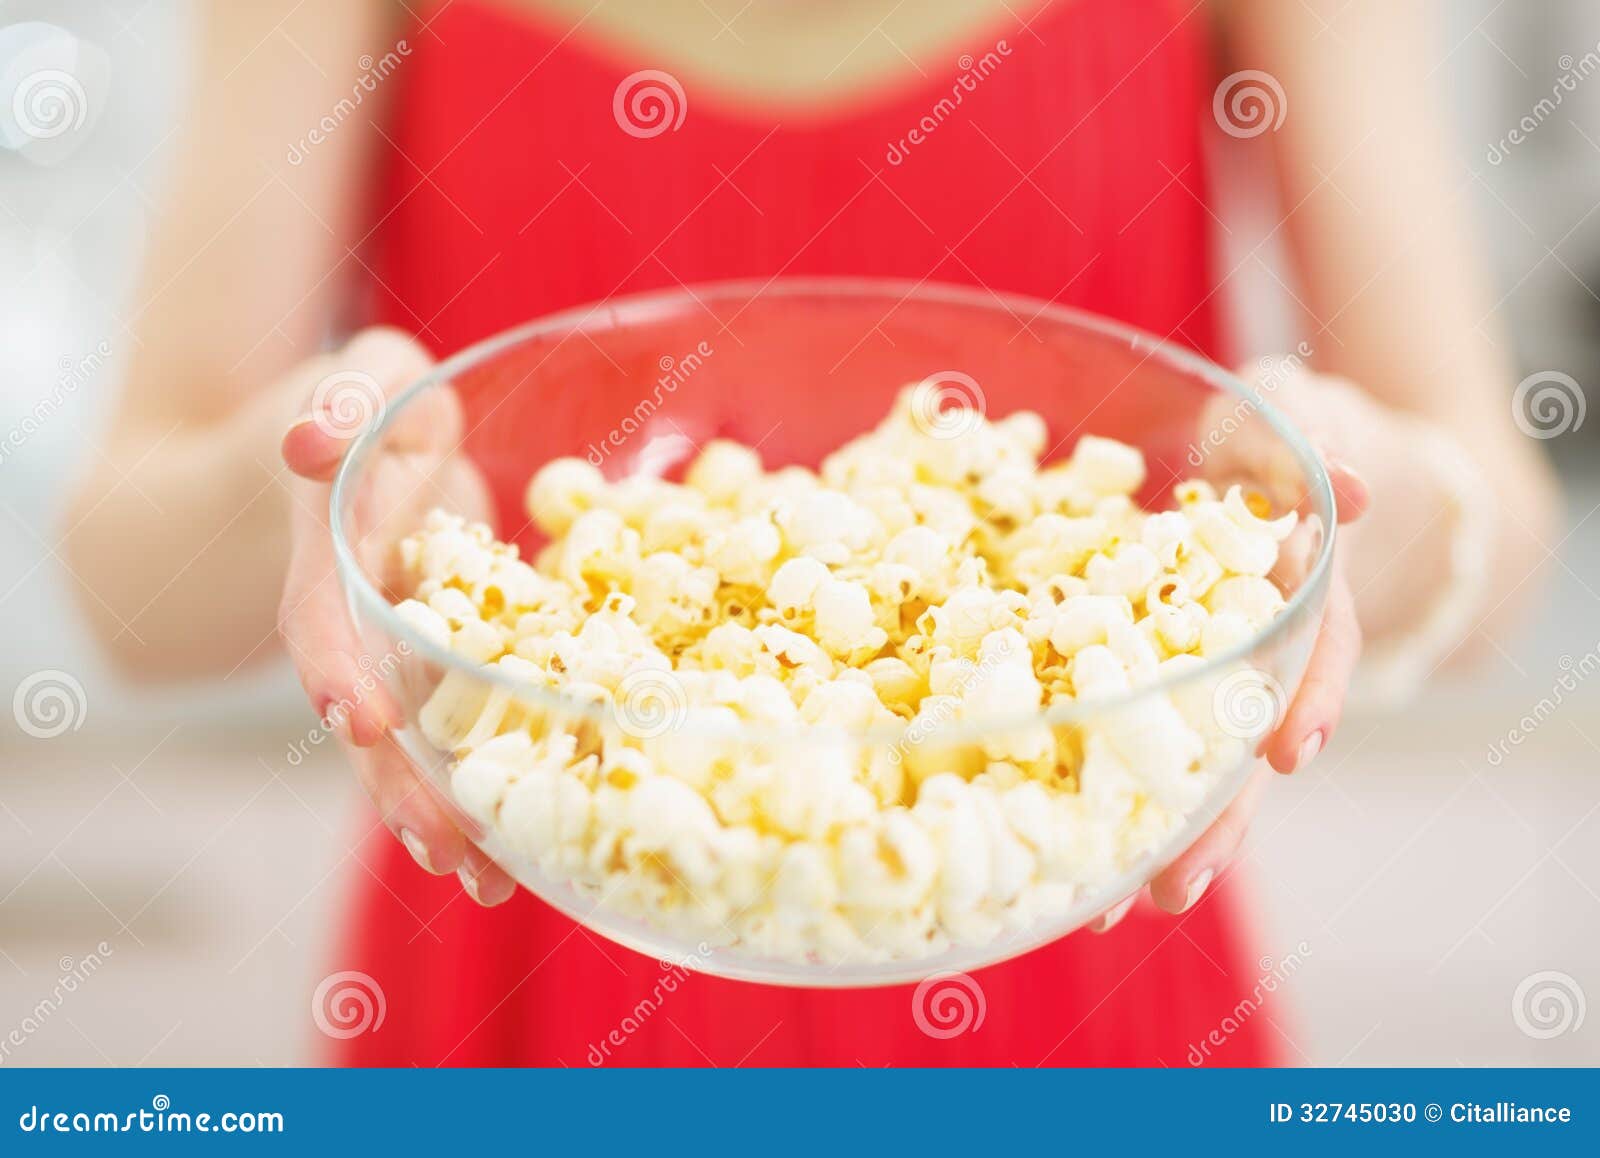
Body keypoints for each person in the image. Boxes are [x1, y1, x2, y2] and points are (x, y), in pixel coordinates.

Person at [63, 0, 1557, 1065]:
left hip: (1074, 926)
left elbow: (1498, 528)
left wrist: (1354, 497)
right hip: (527, 906)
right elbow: (128, 583)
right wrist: (320, 479)